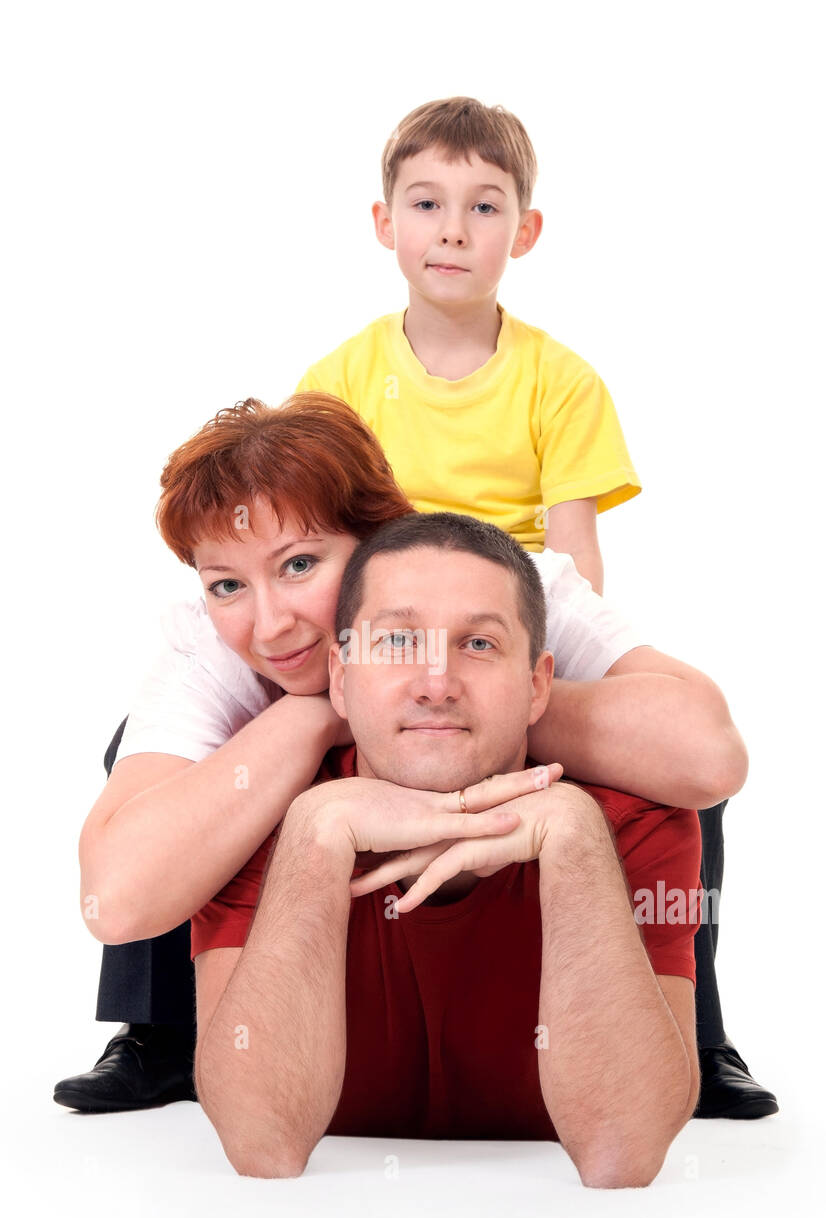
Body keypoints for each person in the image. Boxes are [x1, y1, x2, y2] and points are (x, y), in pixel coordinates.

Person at [57, 395, 760, 1116]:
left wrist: (480, 703)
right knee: (158, 766)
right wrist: (316, 718)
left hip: (508, 800)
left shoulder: (500, 582)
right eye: (227, 585)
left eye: (299, 565)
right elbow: (112, 900)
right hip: (315, 854)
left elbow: (708, 757)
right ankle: (163, 1033)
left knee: (655, 772)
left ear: (380, 537)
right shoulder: (210, 651)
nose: (271, 626)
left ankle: (695, 1035)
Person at [292, 94, 774, 1118]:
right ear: (384, 223)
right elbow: (318, 544)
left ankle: (698, 1026)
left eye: (482, 206)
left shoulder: (560, 380)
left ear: (525, 230)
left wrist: (518, 671)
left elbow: (573, 555)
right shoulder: (337, 381)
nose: (453, 230)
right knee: (153, 749)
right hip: (384, 623)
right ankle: (153, 1027)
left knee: (684, 771)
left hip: (515, 615)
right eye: (425, 203)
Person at [189, 511, 704, 1185]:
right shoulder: (257, 817)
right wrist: (317, 830)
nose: (436, 683)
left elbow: (624, 1155)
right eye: (397, 641)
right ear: (340, 679)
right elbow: (263, 1146)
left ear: (538, 685)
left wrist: (574, 836)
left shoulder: (633, 821)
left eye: (480, 645)